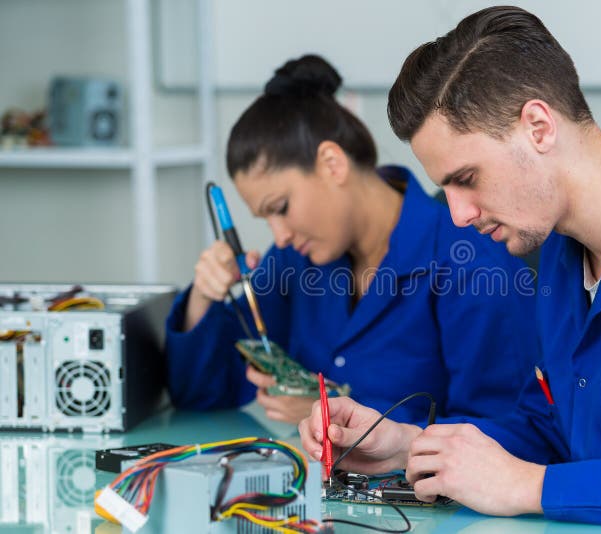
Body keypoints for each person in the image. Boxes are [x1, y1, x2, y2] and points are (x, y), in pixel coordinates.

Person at [298, 7, 601, 532]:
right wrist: (409, 445)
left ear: (538, 126)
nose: (458, 215)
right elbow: (551, 429)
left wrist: (529, 487)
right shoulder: (561, 253)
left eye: (466, 177)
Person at [164, 55, 538, 426]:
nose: (279, 236)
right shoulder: (294, 260)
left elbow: (503, 435)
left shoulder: (471, 262)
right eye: (266, 218)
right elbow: (201, 393)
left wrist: (341, 411)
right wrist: (204, 294)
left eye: (281, 207)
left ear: (332, 163)